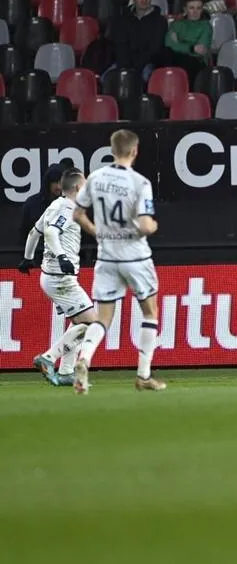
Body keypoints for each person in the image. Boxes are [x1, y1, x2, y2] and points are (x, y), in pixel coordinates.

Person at [72, 130, 165, 394]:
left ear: (112, 150)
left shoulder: (95, 178)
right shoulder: (140, 183)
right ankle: (143, 375)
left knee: (102, 318)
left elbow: (78, 214)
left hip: (106, 256)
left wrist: (99, 232)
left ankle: (84, 359)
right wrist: (152, 225)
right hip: (135, 257)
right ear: (134, 151)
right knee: (150, 312)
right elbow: (146, 225)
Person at [19, 169, 103, 387]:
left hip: (52, 275)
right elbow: (51, 233)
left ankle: (66, 372)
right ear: (77, 188)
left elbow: (34, 232)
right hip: (60, 278)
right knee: (93, 323)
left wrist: (27, 258)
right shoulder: (68, 207)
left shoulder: (54, 205)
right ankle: (48, 358)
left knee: (77, 322)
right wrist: (62, 256)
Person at [106, 0, 168, 84]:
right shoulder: (122, 19)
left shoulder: (160, 21)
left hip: (148, 63)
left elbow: (154, 48)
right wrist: (125, 67)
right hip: (125, 62)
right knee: (106, 79)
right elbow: (120, 44)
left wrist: (136, 67)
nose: (144, 0)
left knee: (144, 78)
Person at [19, 161, 75, 265]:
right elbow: (25, 233)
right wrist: (28, 258)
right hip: (37, 261)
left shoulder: (70, 205)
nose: (58, 187)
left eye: (61, 182)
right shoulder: (31, 204)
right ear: (47, 182)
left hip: (67, 261)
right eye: (55, 182)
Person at [156, 0, 212, 84]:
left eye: (198, 8)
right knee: (163, 54)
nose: (195, 12)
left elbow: (199, 51)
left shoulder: (206, 26)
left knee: (186, 62)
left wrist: (178, 43)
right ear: (185, 9)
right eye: (192, 8)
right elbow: (168, 43)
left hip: (196, 62)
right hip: (177, 58)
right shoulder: (177, 24)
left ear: (202, 10)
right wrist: (191, 48)